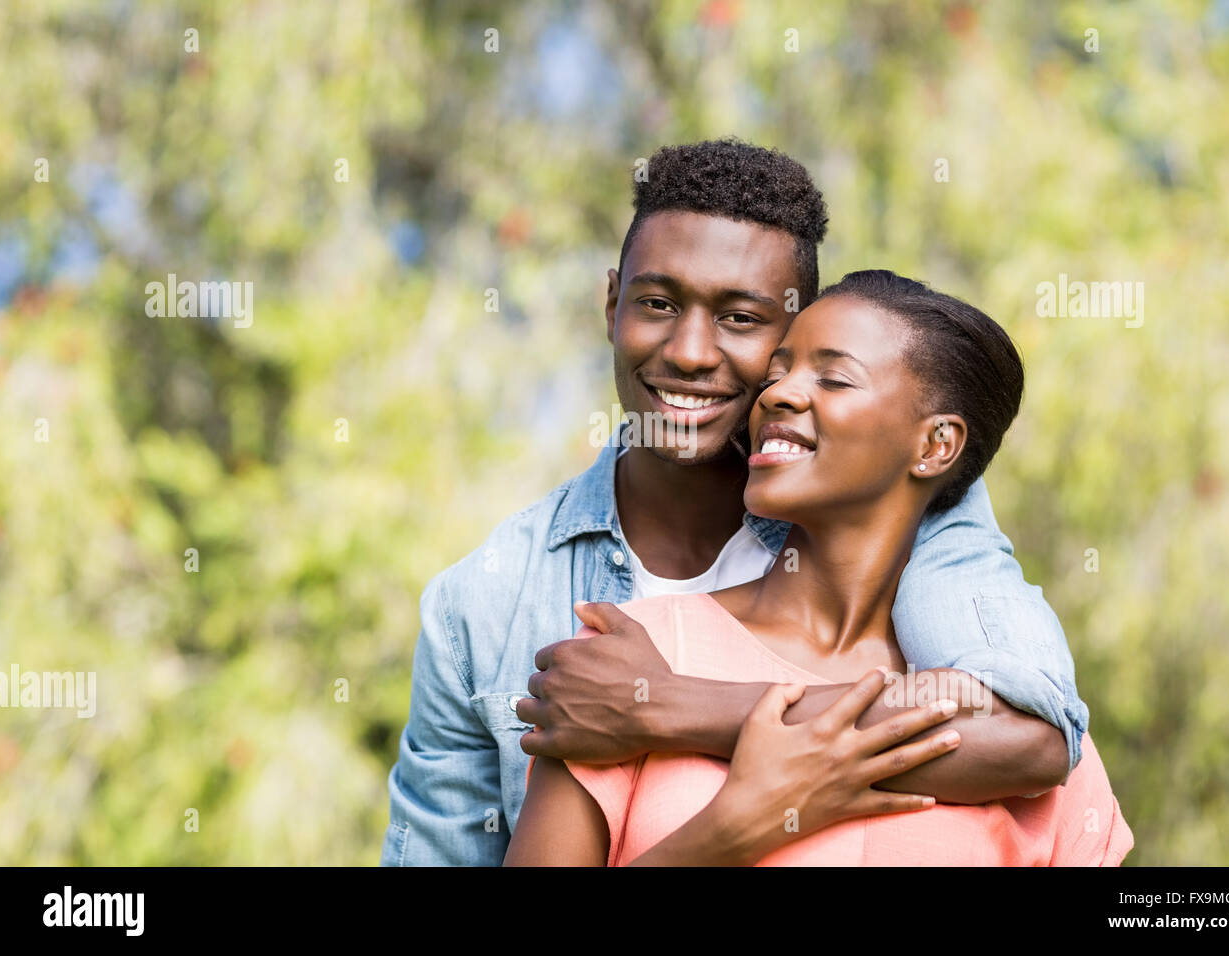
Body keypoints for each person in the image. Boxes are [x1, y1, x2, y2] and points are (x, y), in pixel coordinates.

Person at [381, 141, 1087, 867]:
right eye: (656, 303)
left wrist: (663, 706)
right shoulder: (483, 607)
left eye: (742, 318)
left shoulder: (923, 527)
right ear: (611, 305)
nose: (689, 351)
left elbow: (1029, 734)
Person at [505, 270, 1132, 866]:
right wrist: (732, 831)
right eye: (778, 371)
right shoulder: (628, 660)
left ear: (936, 445)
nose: (777, 392)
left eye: (834, 379)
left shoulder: (1017, 709)